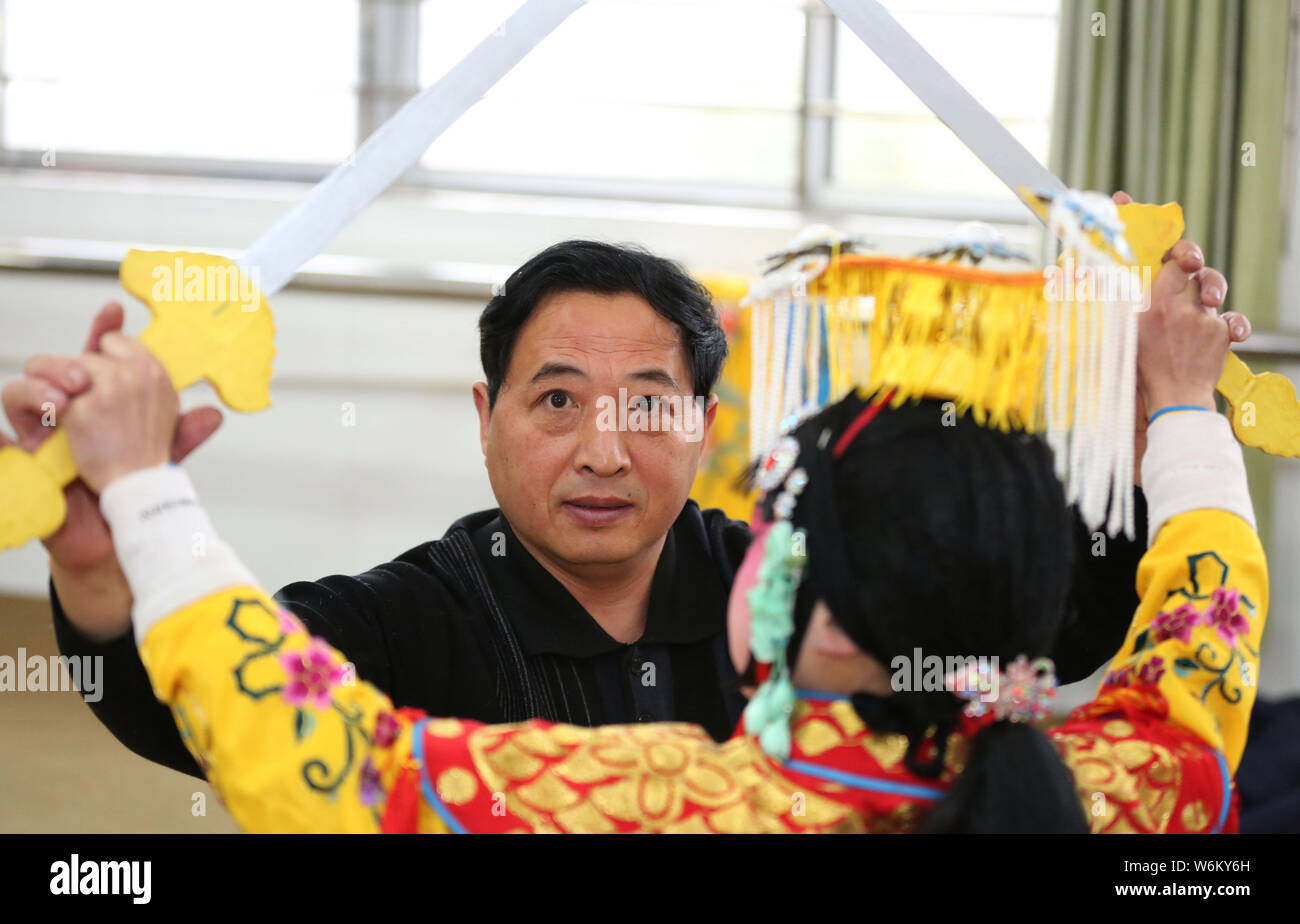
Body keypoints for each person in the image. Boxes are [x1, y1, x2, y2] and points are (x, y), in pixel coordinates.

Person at [44, 224, 1263, 832]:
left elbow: (302, 741)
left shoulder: (666, 806)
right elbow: (1203, 628)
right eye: (559, 399)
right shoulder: (1141, 777)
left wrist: (150, 489)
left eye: (646, 407)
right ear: (489, 416)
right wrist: (1179, 407)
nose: (603, 450)